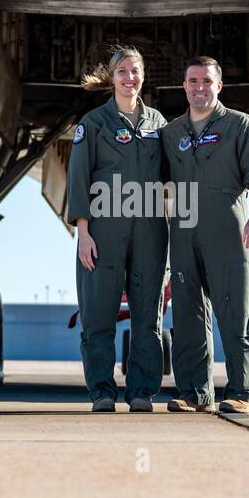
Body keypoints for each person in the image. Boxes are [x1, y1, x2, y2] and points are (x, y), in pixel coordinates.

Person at [161, 56, 249, 414]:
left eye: (206, 81)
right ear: (184, 87)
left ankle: (242, 391)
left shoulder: (239, 125)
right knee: (188, 314)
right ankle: (195, 392)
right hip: (183, 231)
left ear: (218, 86)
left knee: (234, 310)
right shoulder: (172, 132)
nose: (199, 88)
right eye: (192, 81)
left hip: (227, 230)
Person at [66, 46, 169, 412]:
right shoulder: (93, 124)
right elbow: (78, 178)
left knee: (148, 316)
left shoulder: (160, 124)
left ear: (143, 76)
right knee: (98, 314)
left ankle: (142, 391)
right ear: (112, 78)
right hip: (103, 229)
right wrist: (83, 232)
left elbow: (176, 176)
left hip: (151, 231)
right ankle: (102, 391)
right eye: (123, 71)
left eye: (135, 71)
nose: (130, 78)